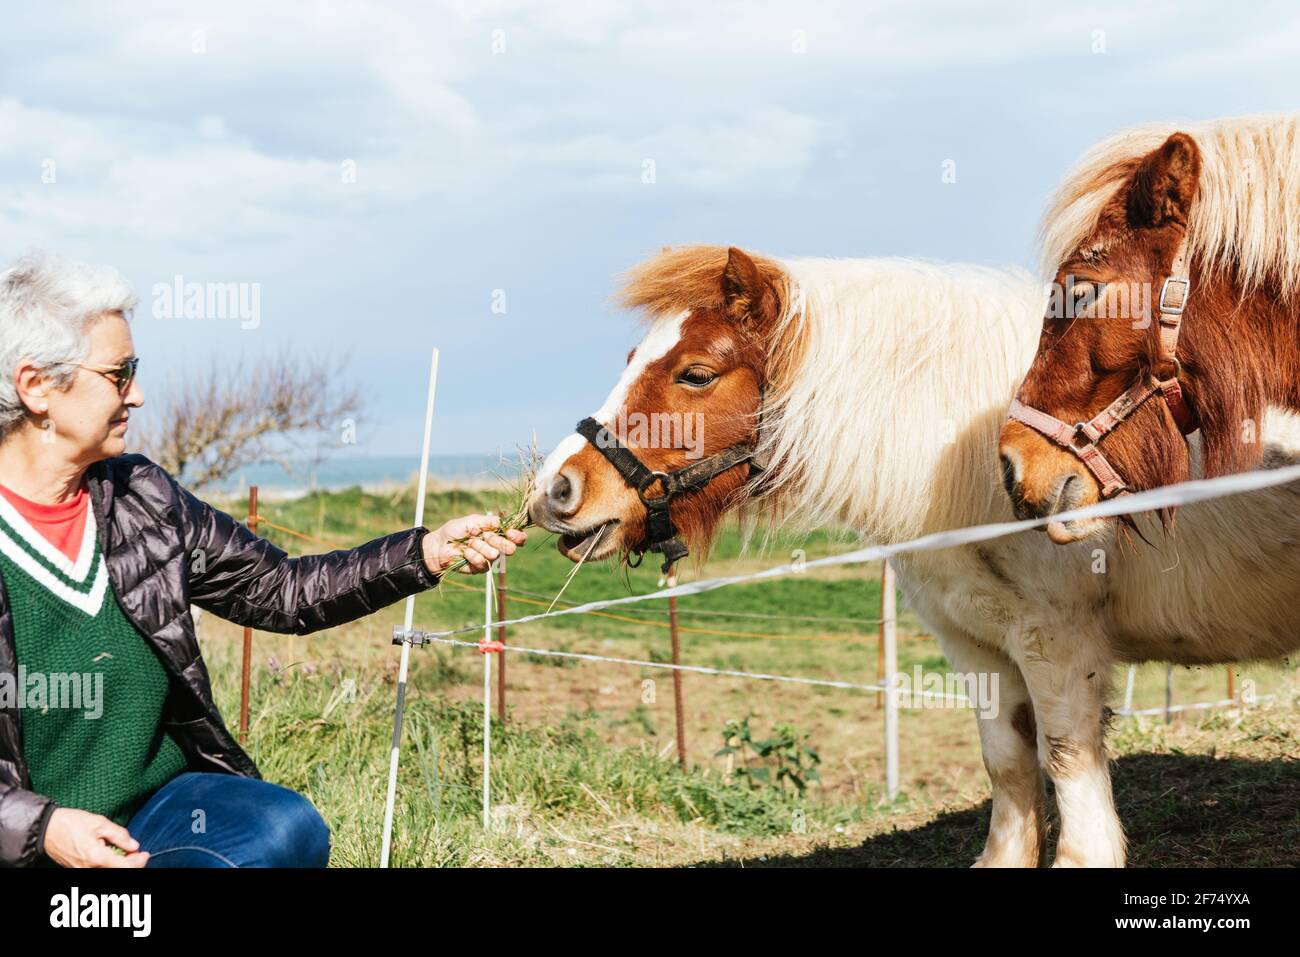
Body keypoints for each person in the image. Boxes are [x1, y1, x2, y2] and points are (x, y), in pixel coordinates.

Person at [0, 252, 526, 868]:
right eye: (120, 373)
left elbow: (279, 590)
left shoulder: (141, 495)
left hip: (153, 814)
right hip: (33, 841)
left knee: (285, 827)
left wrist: (424, 554)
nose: (138, 394)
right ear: (37, 386)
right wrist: (44, 828)